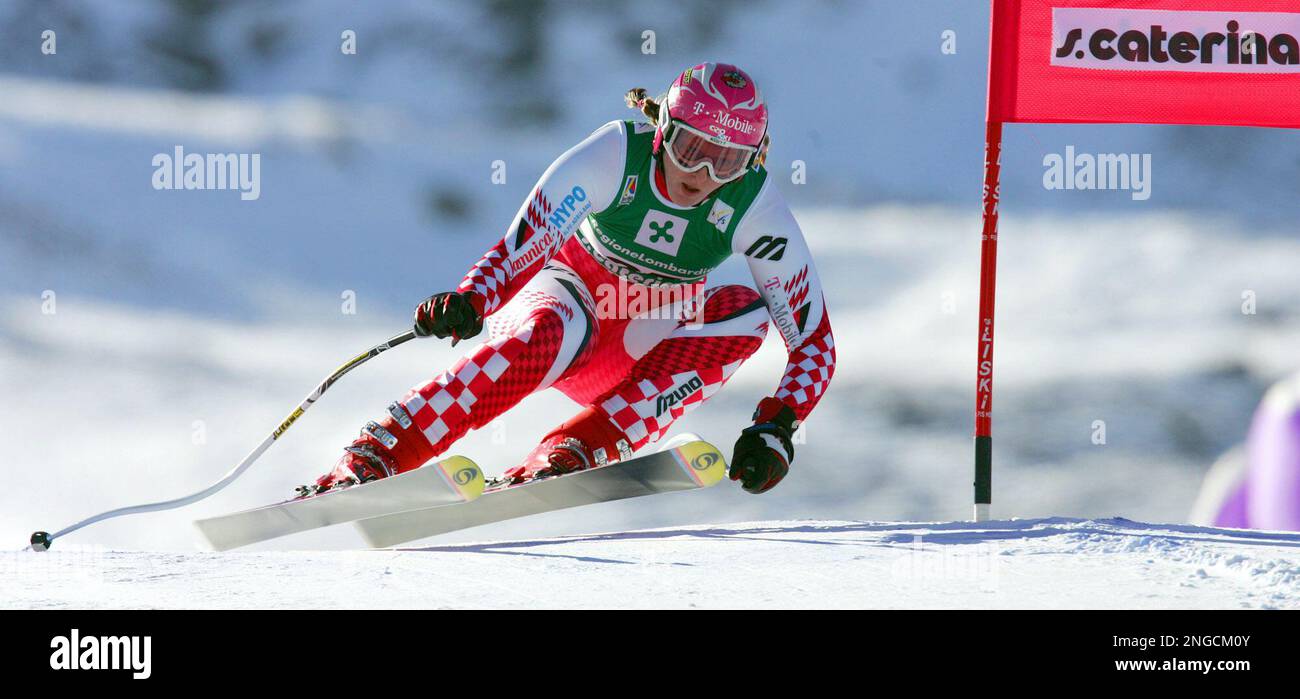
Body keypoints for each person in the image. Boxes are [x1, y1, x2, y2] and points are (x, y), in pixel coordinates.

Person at [312, 62, 835, 496]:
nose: (701, 175)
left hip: (641, 341)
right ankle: (380, 454)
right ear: (664, 132)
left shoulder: (754, 204)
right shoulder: (616, 154)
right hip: (571, 299)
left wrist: (778, 425)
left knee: (745, 310)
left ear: (752, 161)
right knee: (547, 334)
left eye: (727, 162)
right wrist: (473, 299)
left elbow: (813, 340)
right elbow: (526, 244)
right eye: (689, 150)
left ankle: (577, 446)